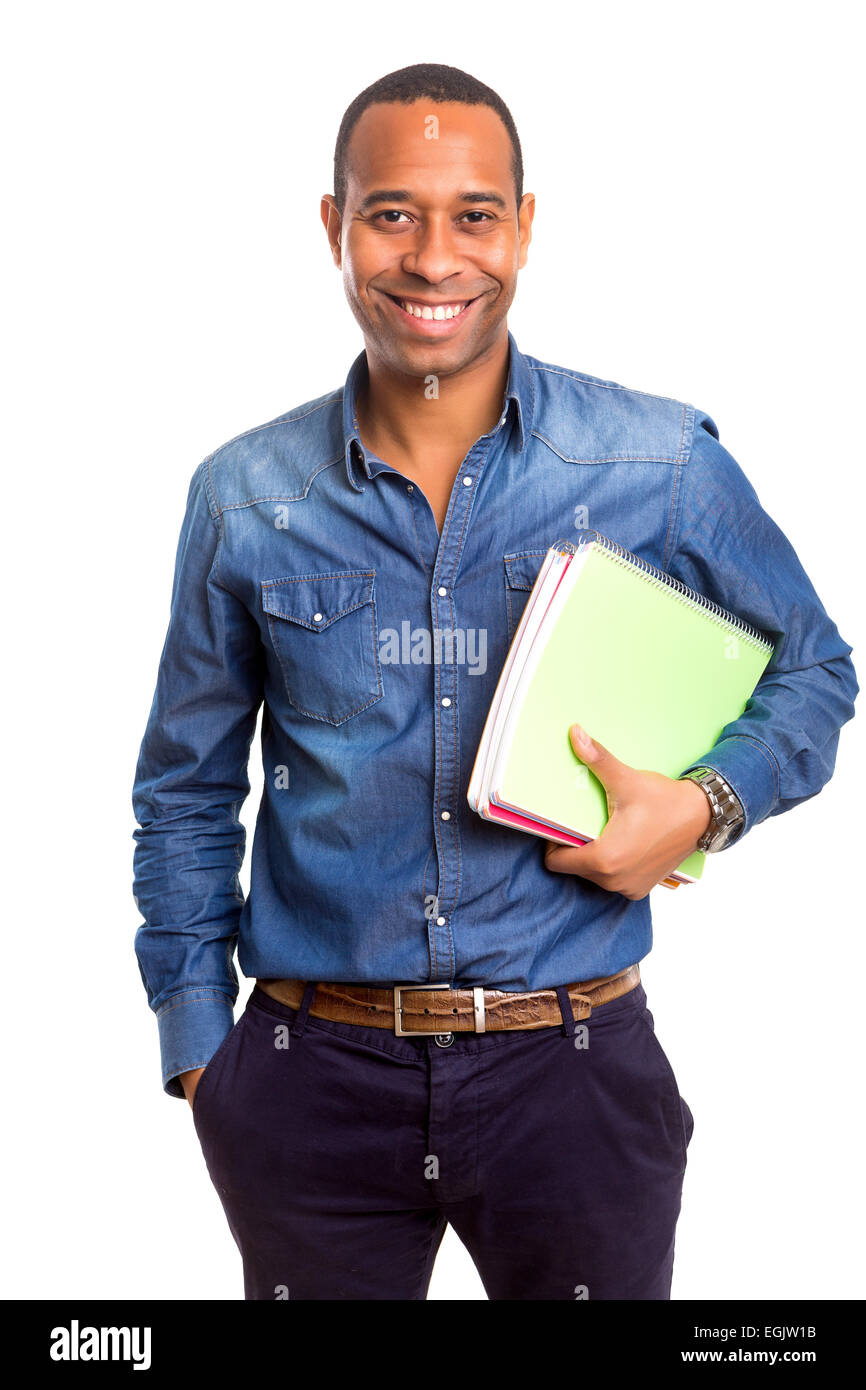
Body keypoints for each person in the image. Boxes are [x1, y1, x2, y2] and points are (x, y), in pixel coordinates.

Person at [131, 62, 858, 1301]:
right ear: (334, 225)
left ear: (522, 226)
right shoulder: (244, 496)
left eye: (472, 215)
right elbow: (186, 788)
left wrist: (704, 804)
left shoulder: (655, 462)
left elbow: (814, 668)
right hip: (310, 1084)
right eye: (390, 213)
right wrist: (203, 1050)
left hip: (574, 1075)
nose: (432, 258)